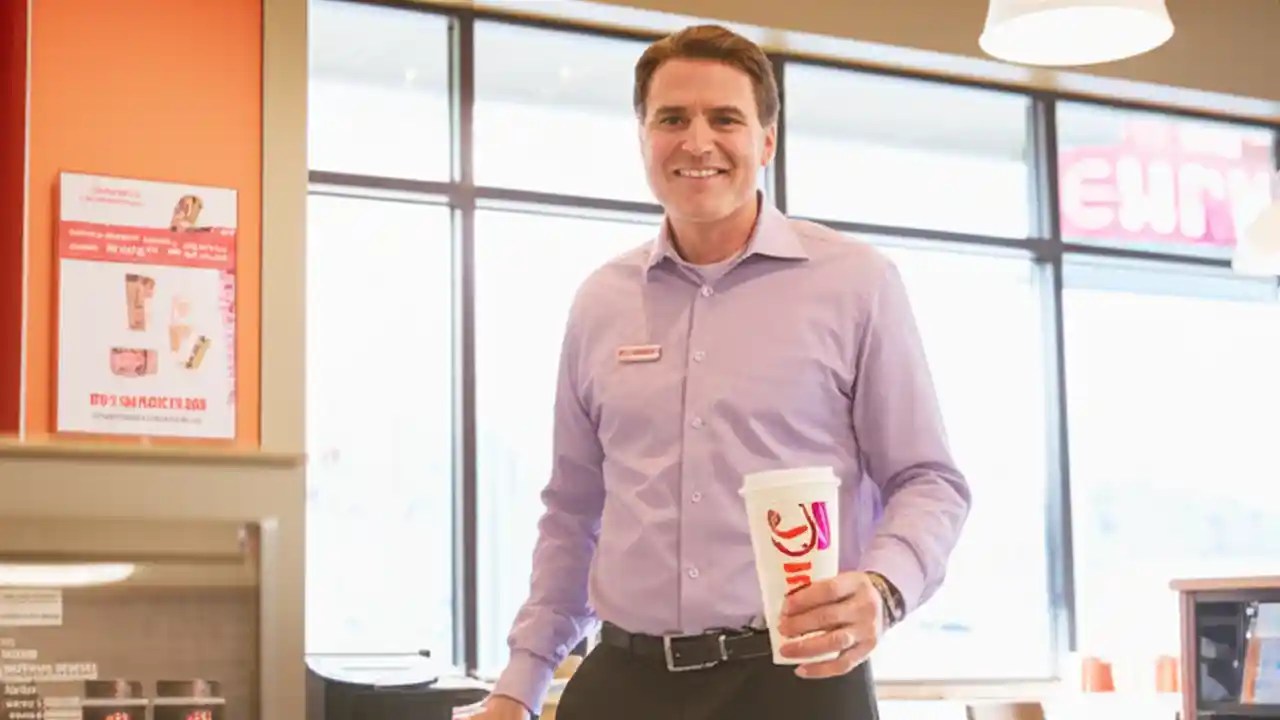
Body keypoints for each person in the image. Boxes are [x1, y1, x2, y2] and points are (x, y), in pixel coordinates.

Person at [461, 23, 971, 720]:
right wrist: (517, 688)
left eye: (725, 118)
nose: (697, 141)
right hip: (624, 683)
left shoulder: (858, 284)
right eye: (672, 119)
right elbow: (574, 513)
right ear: (643, 139)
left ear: (765, 141)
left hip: (797, 681)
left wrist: (883, 588)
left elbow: (929, 480)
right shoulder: (600, 302)